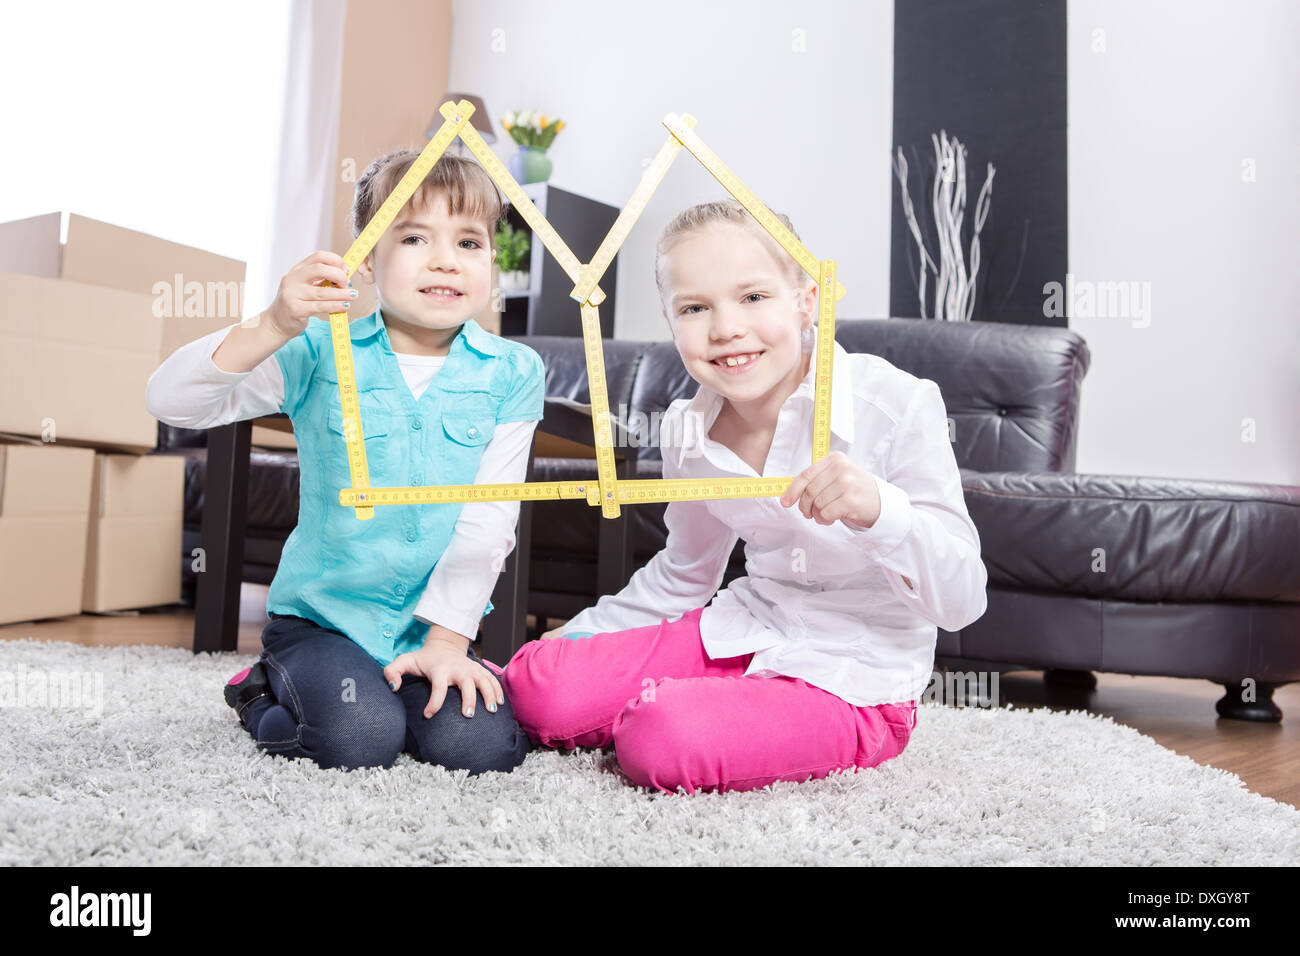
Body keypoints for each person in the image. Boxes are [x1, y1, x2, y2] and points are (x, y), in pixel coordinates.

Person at [502, 199, 989, 795]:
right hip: (746, 629)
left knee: (659, 737)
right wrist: (578, 641)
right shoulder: (687, 429)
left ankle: (709, 714)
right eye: (695, 307)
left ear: (807, 300)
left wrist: (881, 511)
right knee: (533, 683)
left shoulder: (898, 402)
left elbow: (963, 600)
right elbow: (684, 575)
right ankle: (708, 703)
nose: (726, 327)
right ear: (669, 319)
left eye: (753, 297)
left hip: (858, 681)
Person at [145, 151, 543, 773]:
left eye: (469, 240)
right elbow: (171, 401)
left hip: (429, 629)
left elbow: (491, 517)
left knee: (481, 751)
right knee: (358, 739)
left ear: (493, 259)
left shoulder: (515, 371)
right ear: (366, 255)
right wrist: (274, 322)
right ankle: (255, 690)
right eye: (414, 237)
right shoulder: (316, 350)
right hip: (322, 623)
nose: (446, 259)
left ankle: (396, 696)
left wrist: (447, 643)